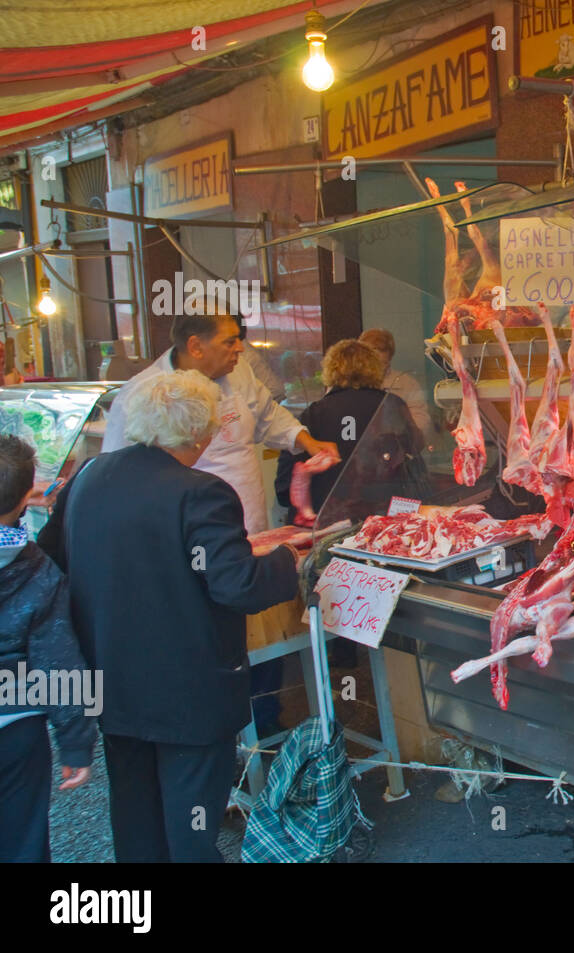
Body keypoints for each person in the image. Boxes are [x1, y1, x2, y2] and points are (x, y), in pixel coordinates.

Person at [43, 370, 300, 862]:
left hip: (111, 685)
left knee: (135, 816)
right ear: (202, 431)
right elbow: (237, 585)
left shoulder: (89, 476)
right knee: (191, 823)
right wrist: (290, 561)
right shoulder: (201, 491)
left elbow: (52, 561)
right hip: (187, 691)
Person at [102, 309, 338, 533]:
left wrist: (306, 441)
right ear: (195, 346)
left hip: (248, 515)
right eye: (230, 341)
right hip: (190, 521)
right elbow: (117, 472)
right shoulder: (141, 394)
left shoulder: (239, 372)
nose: (239, 349)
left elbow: (268, 414)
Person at [0, 435, 95, 862]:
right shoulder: (37, 570)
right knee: (22, 839)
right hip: (15, 724)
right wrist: (76, 742)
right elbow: (58, 663)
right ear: (25, 499)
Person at [275, 338, 423, 525]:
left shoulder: (313, 413)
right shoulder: (391, 404)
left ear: (330, 370)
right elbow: (416, 445)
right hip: (382, 519)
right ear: (375, 369)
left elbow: (284, 485)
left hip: (325, 522)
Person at [358, 328, 433, 442]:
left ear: (390, 357)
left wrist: (404, 440)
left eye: (383, 363)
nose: (377, 369)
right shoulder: (351, 384)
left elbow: (421, 420)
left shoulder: (407, 383)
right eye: (372, 363)